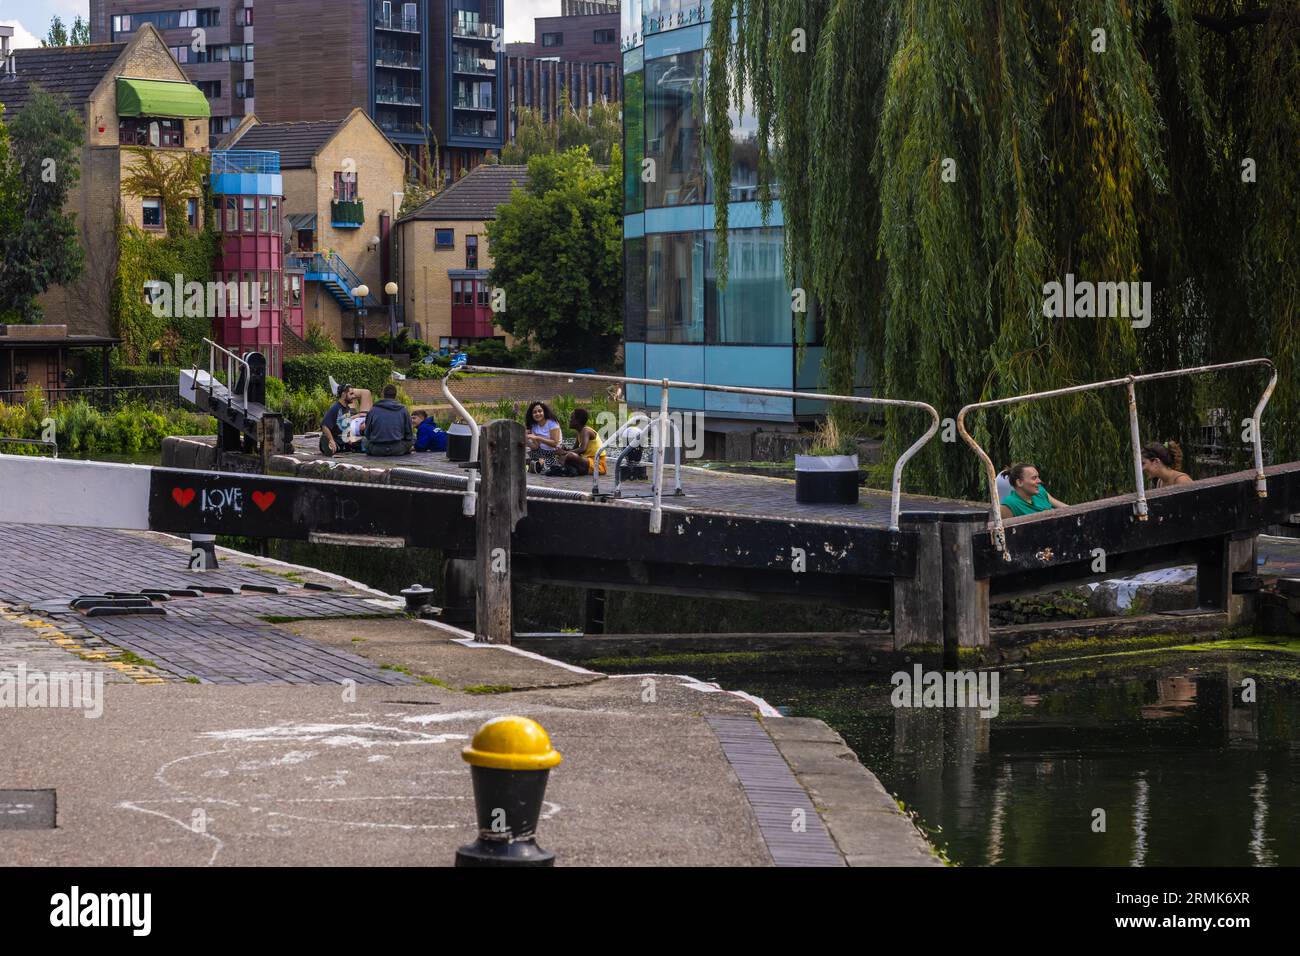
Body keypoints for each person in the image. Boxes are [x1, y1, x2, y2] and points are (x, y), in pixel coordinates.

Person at [999, 462, 1068, 518]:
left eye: (1038, 477)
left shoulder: (1040, 491)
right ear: (1019, 482)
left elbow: (1067, 509)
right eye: (1034, 478)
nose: (1039, 481)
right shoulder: (1009, 505)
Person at [364, 384, 413, 456]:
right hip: (398, 449)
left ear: (383, 395)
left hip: (376, 450)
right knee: (411, 441)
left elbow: (367, 433)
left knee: (364, 441)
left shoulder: (373, 410)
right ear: (395, 395)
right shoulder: (403, 410)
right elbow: (409, 435)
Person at [558, 407, 605, 477]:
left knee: (570, 456)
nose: (569, 420)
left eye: (571, 418)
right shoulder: (579, 433)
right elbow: (574, 449)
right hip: (587, 461)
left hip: (597, 464)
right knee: (562, 456)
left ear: (578, 421)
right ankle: (572, 470)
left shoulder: (586, 431)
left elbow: (582, 449)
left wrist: (565, 452)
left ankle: (569, 469)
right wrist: (564, 449)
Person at [525, 401, 564, 473]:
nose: (537, 414)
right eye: (534, 412)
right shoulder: (534, 426)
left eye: (540, 411)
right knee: (525, 457)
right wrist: (526, 438)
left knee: (549, 465)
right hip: (540, 452)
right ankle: (537, 464)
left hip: (553, 452)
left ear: (544, 412)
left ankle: (539, 464)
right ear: (532, 415)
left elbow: (555, 443)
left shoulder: (552, 423)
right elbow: (536, 446)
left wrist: (537, 437)